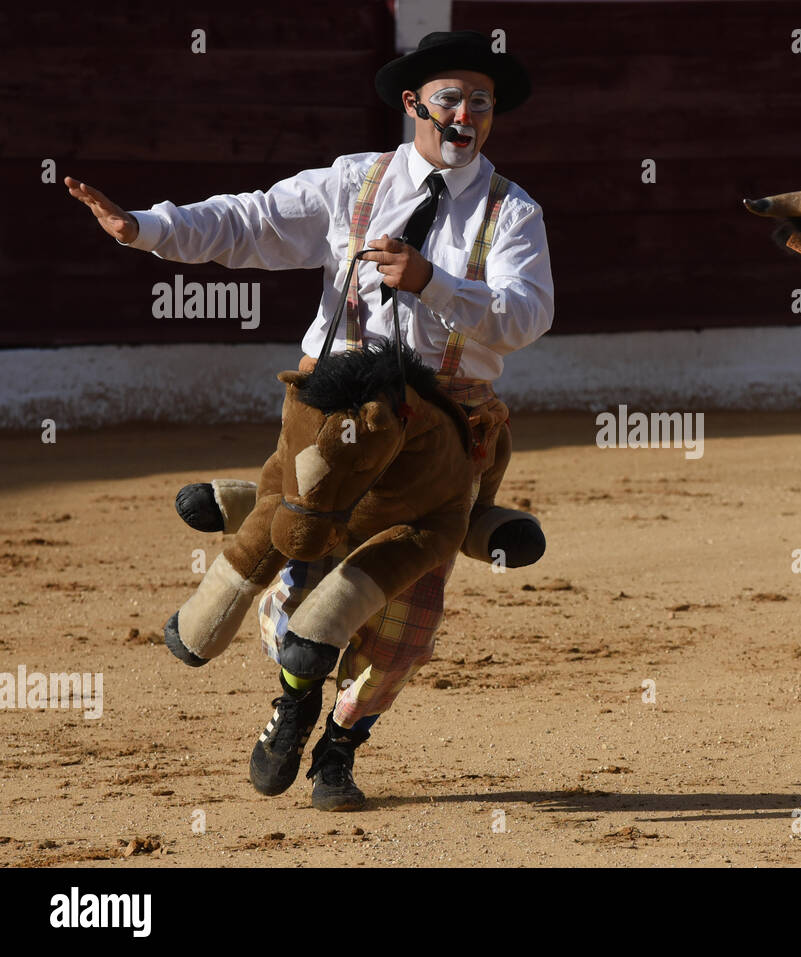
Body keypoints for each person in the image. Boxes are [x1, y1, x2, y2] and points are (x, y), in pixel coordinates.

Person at [66, 30, 554, 811]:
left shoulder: (512, 210)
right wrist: (148, 229)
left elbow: (527, 315)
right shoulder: (355, 183)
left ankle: (341, 743)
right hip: (334, 420)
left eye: (481, 101)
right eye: (451, 98)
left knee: (408, 626)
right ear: (413, 104)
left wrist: (434, 283)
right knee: (297, 574)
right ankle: (295, 694)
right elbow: (249, 224)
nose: (466, 114)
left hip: (445, 430)